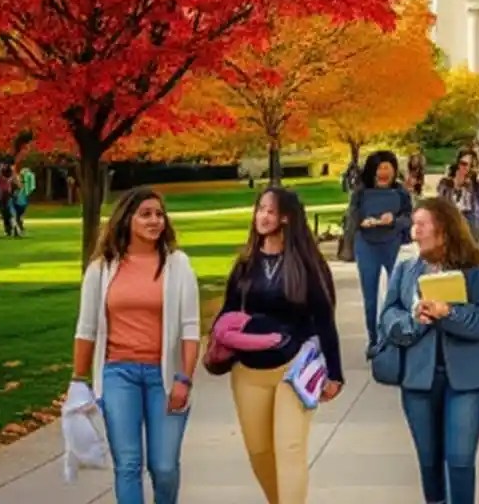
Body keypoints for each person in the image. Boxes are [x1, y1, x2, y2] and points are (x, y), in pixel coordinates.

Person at [71, 187, 200, 504]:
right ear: (126, 219)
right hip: (118, 375)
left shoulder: (178, 265)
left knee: (164, 467)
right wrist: (78, 380)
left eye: (159, 214)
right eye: (146, 214)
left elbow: (191, 328)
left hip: (165, 377)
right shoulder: (101, 269)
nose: (155, 220)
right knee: (128, 465)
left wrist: (184, 378)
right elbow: (86, 329)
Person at [219, 188, 344, 504]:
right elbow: (227, 313)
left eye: (270, 211)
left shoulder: (307, 265)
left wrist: (335, 372)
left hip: (294, 369)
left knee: (289, 450)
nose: (262, 216)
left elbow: (325, 319)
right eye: (260, 209)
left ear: (286, 217)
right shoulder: (245, 263)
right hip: (248, 371)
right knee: (260, 452)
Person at [380, 197, 479, 504]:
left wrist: (449, 313)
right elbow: (388, 314)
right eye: (414, 225)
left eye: (421, 225)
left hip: (467, 380)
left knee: (459, 459)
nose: (414, 232)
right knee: (429, 460)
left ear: (443, 229)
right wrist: (412, 320)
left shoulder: (477, 270)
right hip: (419, 379)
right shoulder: (406, 269)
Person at [349, 150, 413, 357]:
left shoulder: (401, 193)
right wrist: (361, 222)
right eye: (380, 168)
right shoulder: (361, 192)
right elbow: (352, 217)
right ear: (372, 171)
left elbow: (409, 217)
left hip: (391, 243)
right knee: (370, 295)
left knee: (398, 292)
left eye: (388, 168)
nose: (384, 172)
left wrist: (393, 220)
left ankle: (397, 333)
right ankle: (373, 339)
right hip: (366, 244)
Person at [438, 151, 479, 243]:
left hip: (472, 216)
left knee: (473, 244)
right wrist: (456, 185)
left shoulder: (477, 183)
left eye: (471, 164)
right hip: (453, 215)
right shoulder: (446, 182)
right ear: (457, 164)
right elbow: (442, 197)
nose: (467, 167)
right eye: (463, 164)